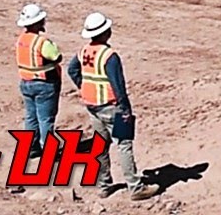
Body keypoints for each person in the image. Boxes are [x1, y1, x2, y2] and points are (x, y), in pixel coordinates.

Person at [66, 12, 160, 201]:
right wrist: (126, 110)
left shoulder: (84, 51)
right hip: (111, 106)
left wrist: (84, 86)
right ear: (105, 33)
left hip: (92, 107)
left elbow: (72, 69)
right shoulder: (109, 56)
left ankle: (104, 185)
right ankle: (135, 187)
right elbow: (118, 86)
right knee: (124, 145)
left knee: (100, 145)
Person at [14, 3, 62, 155]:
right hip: (44, 84)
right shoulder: (41, 42)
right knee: (45, 119)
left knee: (31, 117)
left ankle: (31, 148)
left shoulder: (21, 39)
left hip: (26, 83)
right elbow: (56, 56)